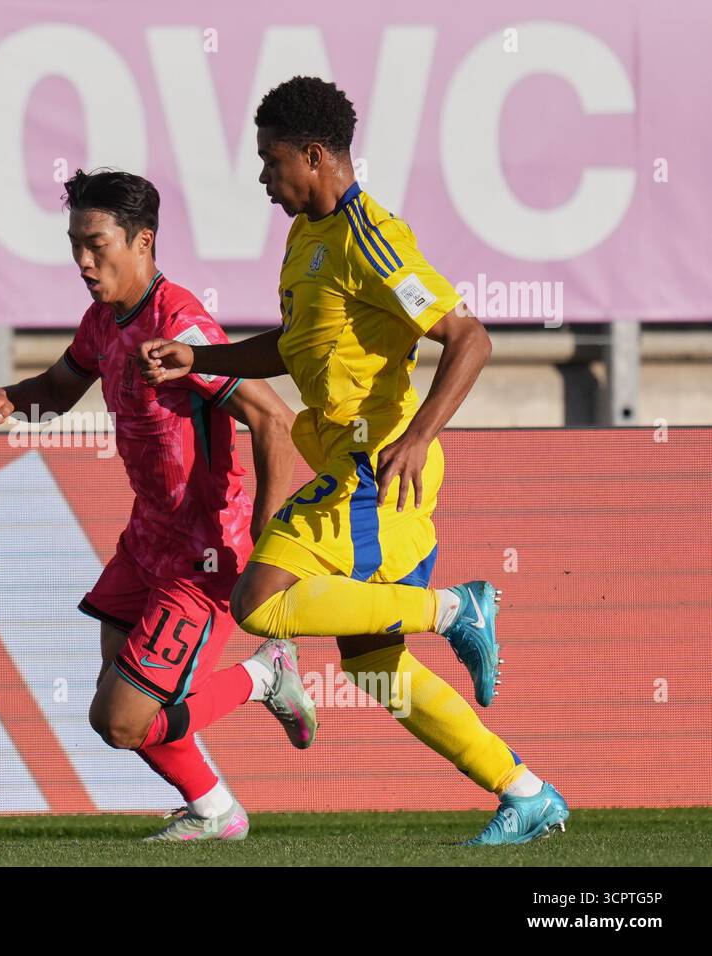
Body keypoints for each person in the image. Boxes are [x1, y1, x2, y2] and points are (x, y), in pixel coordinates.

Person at [139, 77, 569, 845]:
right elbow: (295, 344)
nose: (264, 180)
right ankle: (526, 792)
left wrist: (422, 433)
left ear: (313, 155)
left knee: (260, 600)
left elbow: (470, 338)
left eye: (272, 163)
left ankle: (456, 608)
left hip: (378, 473)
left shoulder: (373, 238)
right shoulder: (308, 236)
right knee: (373, 664)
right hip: (361, 469)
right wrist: (200, 356)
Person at [0, 168, 314, 841]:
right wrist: (12, 398)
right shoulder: (104, 322)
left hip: (203, 553)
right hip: (146, 541)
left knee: (124, 719)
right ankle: (214, 811)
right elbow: (60, 389)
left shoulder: (179, 326)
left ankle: (262, 676)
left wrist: (267, 545)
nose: (82, 262)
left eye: (96, 245)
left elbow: (273, 421)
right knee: (113, 706)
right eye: (75, 245)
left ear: (143, 241)